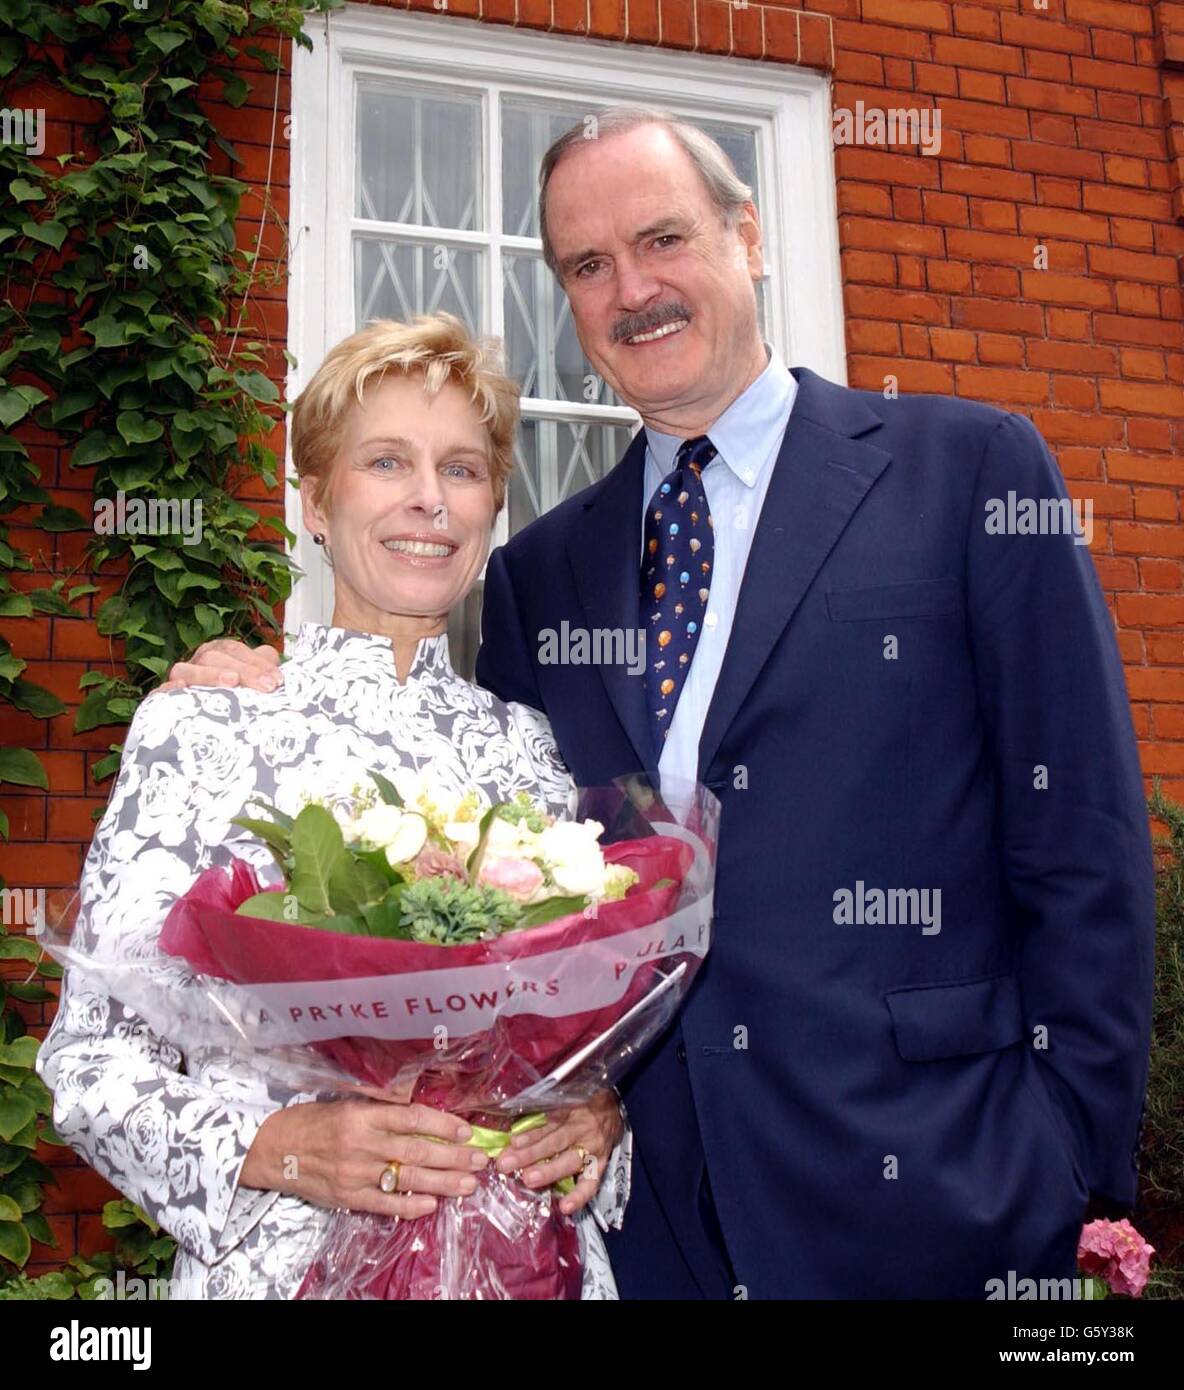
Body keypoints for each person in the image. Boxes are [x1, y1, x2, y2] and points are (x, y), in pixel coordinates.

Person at [162, 107, 1156, 1300]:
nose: (631, 289)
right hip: (639, 1212)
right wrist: (261, 689)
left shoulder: (967, 471)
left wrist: (1067, 1155)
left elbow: (1080, 834)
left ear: (746, 236)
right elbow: (497, 880)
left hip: (936, 1188)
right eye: (587, 266)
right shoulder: (539, 572)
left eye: (661, 239)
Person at [37, 315, 626, 1300]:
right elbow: (89, 1064)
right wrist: (285, 1143)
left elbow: (573, 1049)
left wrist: (596, 1115)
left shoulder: (530, 752)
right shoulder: (210, 724)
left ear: (493, 507)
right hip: (286, 1270)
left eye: (462, 469)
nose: (428, 500)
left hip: (531, 1265)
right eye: (386, 461)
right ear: (313, 499)